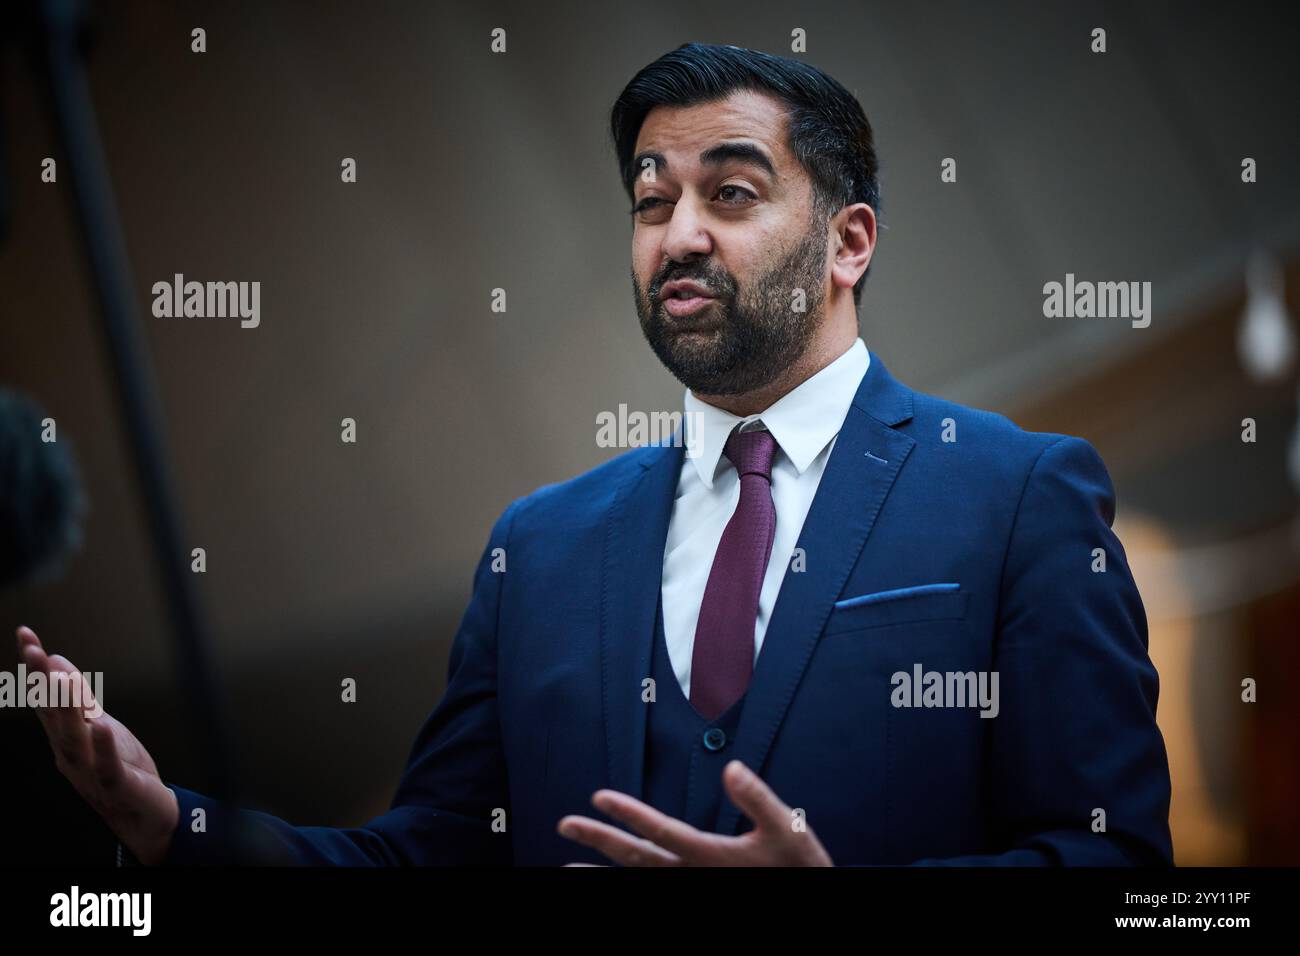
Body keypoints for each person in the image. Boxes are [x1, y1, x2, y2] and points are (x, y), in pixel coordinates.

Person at [15, 42, 1173, 867]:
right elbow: (426, 853)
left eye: (729, 190)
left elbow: (1118, 866)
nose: (676, 233)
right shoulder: (543, 546)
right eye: (648, 199)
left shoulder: (1019, 493)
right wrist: (174, 821)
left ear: (848, 241)